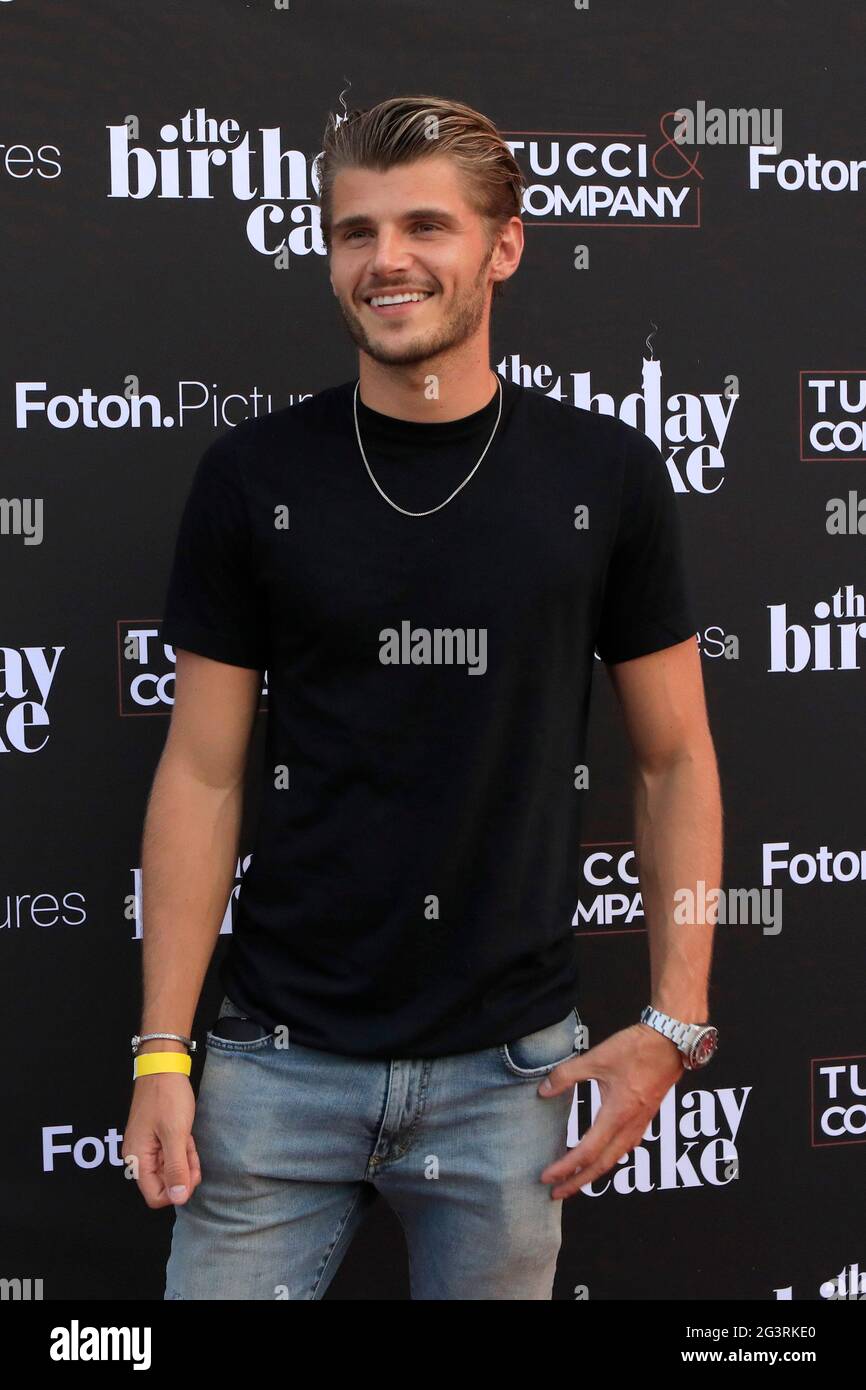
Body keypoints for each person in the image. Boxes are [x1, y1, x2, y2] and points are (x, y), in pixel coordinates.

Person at [122, 94, 722, 1301]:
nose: (385, 260)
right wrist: (161, 1051)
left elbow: (673, 762)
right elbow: (203, 770)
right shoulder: (252, 475)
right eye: (354, 231)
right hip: (274, 1065)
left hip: (512, 1078)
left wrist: (672, 1025)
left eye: (424, 227)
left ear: (501, 247)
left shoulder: (603, 474)